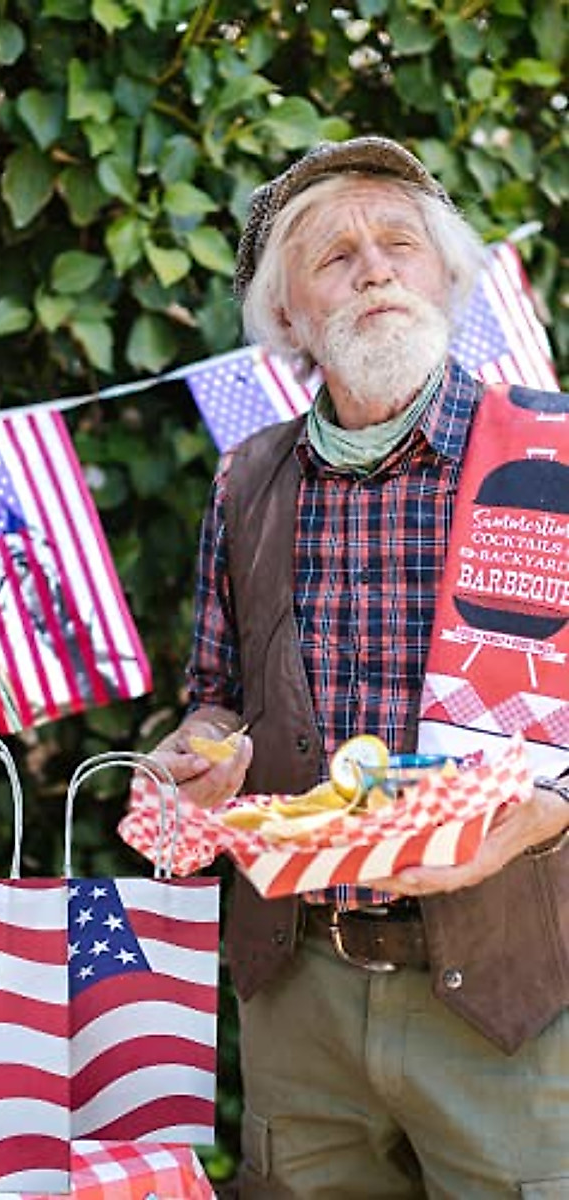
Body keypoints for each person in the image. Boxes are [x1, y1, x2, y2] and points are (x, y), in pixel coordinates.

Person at [146, 136, 569, 1197]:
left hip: (514, 995)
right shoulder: (248, 478)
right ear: (288, 316)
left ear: (451, 278)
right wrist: (198, 751)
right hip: (301, 995)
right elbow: (216, 697)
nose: (374, 268)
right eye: (334, 257)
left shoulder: (554, 461)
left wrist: (553, 807)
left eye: (399, 244)